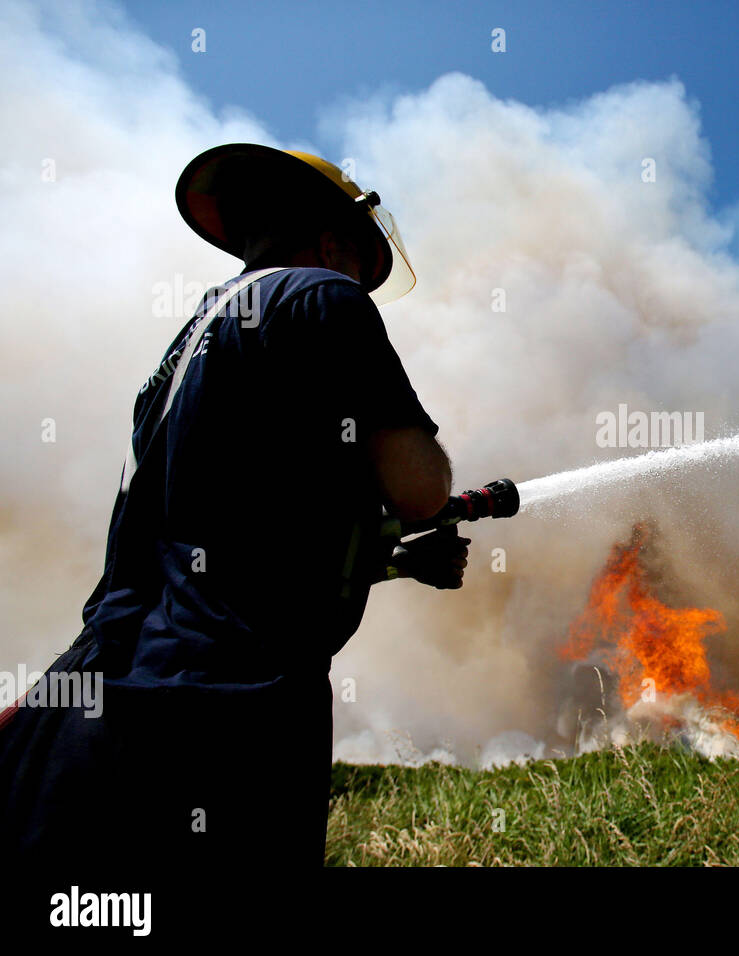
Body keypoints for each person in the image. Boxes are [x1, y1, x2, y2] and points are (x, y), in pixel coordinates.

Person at [0, 144, 466, 867]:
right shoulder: (321, 295)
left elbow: (217, 535)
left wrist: (379, 559)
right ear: (337, 242)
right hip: (229, 712)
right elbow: (421, 489)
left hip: (94, 703)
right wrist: (418, 501)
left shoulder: (180, 353)